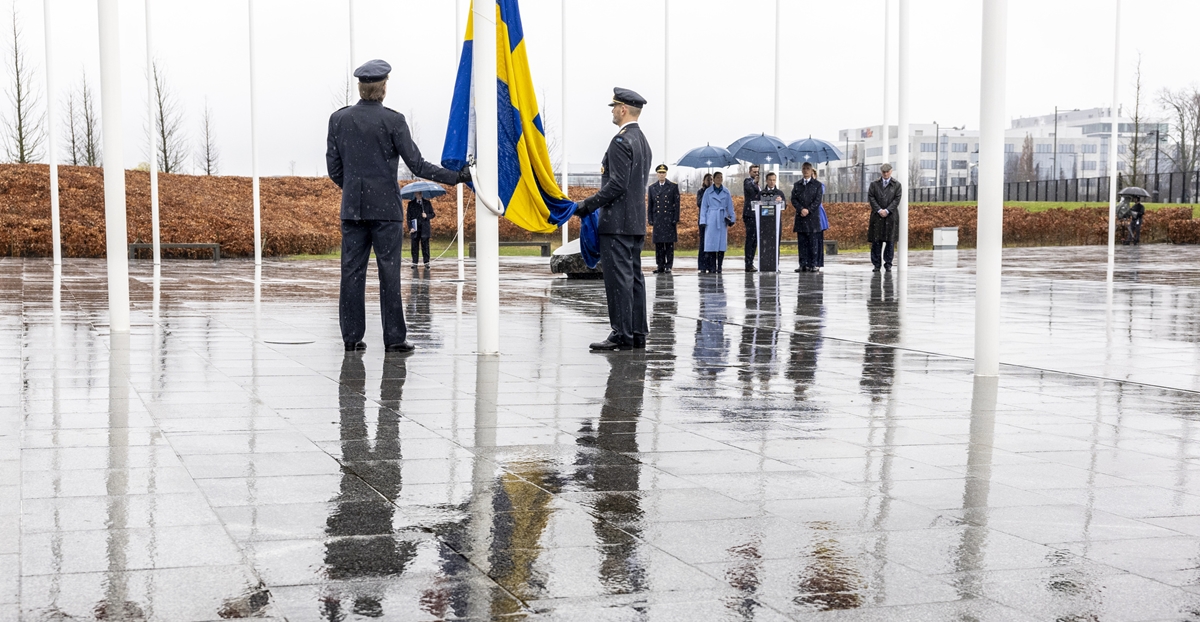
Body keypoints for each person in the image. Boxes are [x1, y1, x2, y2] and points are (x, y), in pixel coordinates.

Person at [326, 59, 471, 353]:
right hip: (386, 212)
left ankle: (351, 338)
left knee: (351, 273)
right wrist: (456, 176)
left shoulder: (338, 119)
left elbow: (334, 169)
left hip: (353, 210)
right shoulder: (393, 121)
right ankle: (393, 338)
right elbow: (417, 164)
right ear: (383, 88)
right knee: (389, 273)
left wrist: (355, 190)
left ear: (360, 87)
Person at [573, 87, 653, 351]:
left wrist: (586, 205)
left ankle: (621, 334)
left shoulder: (620, 141)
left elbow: (617, 184)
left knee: (619, 280)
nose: (612, 112)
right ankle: (637, 332)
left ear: (623, 109)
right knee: (634, 279)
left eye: (614, 107)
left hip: (617, 223)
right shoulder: (642, 141)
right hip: (634, 223)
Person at [867, 163, 901, 272]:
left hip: (891, 217)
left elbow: (897, 199)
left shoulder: (897, 185)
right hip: (877, 217)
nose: (885, 174)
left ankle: (888, 264)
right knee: (876, 242)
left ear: (891, 171)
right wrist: (879, 210)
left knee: (890, 242)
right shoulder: (874, 184)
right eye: (883, 172)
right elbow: (871, 197)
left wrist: (887, 210)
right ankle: (876, 265)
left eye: (887, 172)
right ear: (881, 172)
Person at [699, 171, 736, 274]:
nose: (720, 179)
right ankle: (712, 266)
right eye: (718, 177)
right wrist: (703, 220)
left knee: (721, 244)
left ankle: (719, 266)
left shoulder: (726, 191)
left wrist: (732, 218)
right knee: (711, 244)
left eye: (721, 177)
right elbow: (704, 207)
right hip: (711, 218)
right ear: (714, 179)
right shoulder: (708, 192)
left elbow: (730, 206)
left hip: (722, 218)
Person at [647, 164, 680, 274]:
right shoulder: (652, 187)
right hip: (658, 219)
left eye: (663, 173)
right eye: (660, 173)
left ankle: (668, 266)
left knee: (669, 244)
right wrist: (650, 218)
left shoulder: (673, 186)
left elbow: (677, 204)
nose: (661, 175)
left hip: (669, 219)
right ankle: (660, 265)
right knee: (659, 245)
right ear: (657, 174)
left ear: (666, 174)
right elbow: (650, 205)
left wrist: (675, 218)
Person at [791, 162, 824, 272]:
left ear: (811, 170)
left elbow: (817, 200)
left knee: (813, 243)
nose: (806, 170)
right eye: (804, 168)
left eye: (808, 169)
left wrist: (808, 210)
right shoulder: (797, 185)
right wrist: (801, 209)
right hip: (801, 218)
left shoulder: (817, 185)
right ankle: (802, 264)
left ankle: (813, 264)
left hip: (812, 218)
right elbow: (793, 199)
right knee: (802, 243)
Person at [406, 191, 435, 266]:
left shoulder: (427, 203)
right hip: (415, 228)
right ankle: (414, 262)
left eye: (420, 193)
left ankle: (426, 262)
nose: (419, 195)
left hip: (424, 228)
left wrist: (426, 216)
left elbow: (433, 214)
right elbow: (408, 217)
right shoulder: (411, 204)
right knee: (414, 246)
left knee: (425, 246)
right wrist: (410, 228)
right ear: (415, 194)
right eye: (417, 193)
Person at [742, 164, 761, 273]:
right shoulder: (748, 181)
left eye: (757, 172)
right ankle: (748, 263)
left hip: (758, 214)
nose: (756, 174)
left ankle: (751, 261)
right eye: (754, 172)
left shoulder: (758, 185)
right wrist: (755, 182)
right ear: (750, 172)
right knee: (750, 239)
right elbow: (749, 189)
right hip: (750, 214)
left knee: (755, 240)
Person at [696, 173, 714, 273]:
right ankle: (702, 265)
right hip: (703, 220)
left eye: (711, 180)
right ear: (704, 181)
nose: (709, 182)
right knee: (703, 242)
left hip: (712, 220)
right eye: (708, 180)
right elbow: (699, 203)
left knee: (711, 243)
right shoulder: (701, 192)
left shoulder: (714, 191)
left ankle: (711, 265)